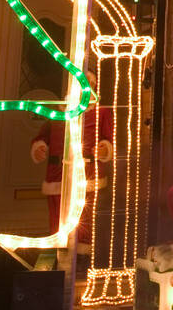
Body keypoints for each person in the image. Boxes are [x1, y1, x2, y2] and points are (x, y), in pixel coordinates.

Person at [30, 68, 113, 244]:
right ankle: (59, 249)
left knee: (84, 218)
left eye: (90, 85)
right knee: (58, 219)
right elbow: (43, 136)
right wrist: (39, 147)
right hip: (57, 175)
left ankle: (81, 255)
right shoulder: (58, 112)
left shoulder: (102, 112)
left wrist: (105, 149)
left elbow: (108, 138)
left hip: (88, 175)